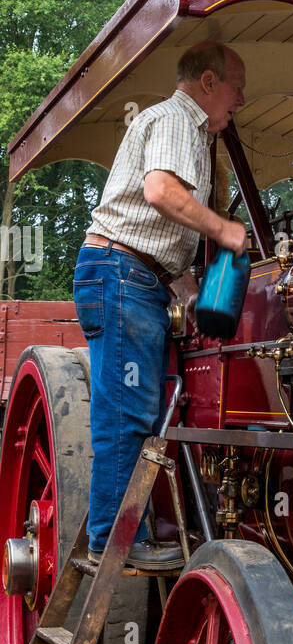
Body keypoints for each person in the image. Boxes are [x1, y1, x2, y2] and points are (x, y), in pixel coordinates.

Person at [72, 41, 247, 571]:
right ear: (209, 82)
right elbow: (160, 192)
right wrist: (225, 230)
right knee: (127, 413)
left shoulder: (186, 128)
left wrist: (189, 284)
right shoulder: (177, 118)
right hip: (122, 276)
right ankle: (115, 542)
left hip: (135, 276)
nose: (240, 100)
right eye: (237, 88)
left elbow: (163, 230)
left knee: (139, 412)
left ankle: (120, 533)